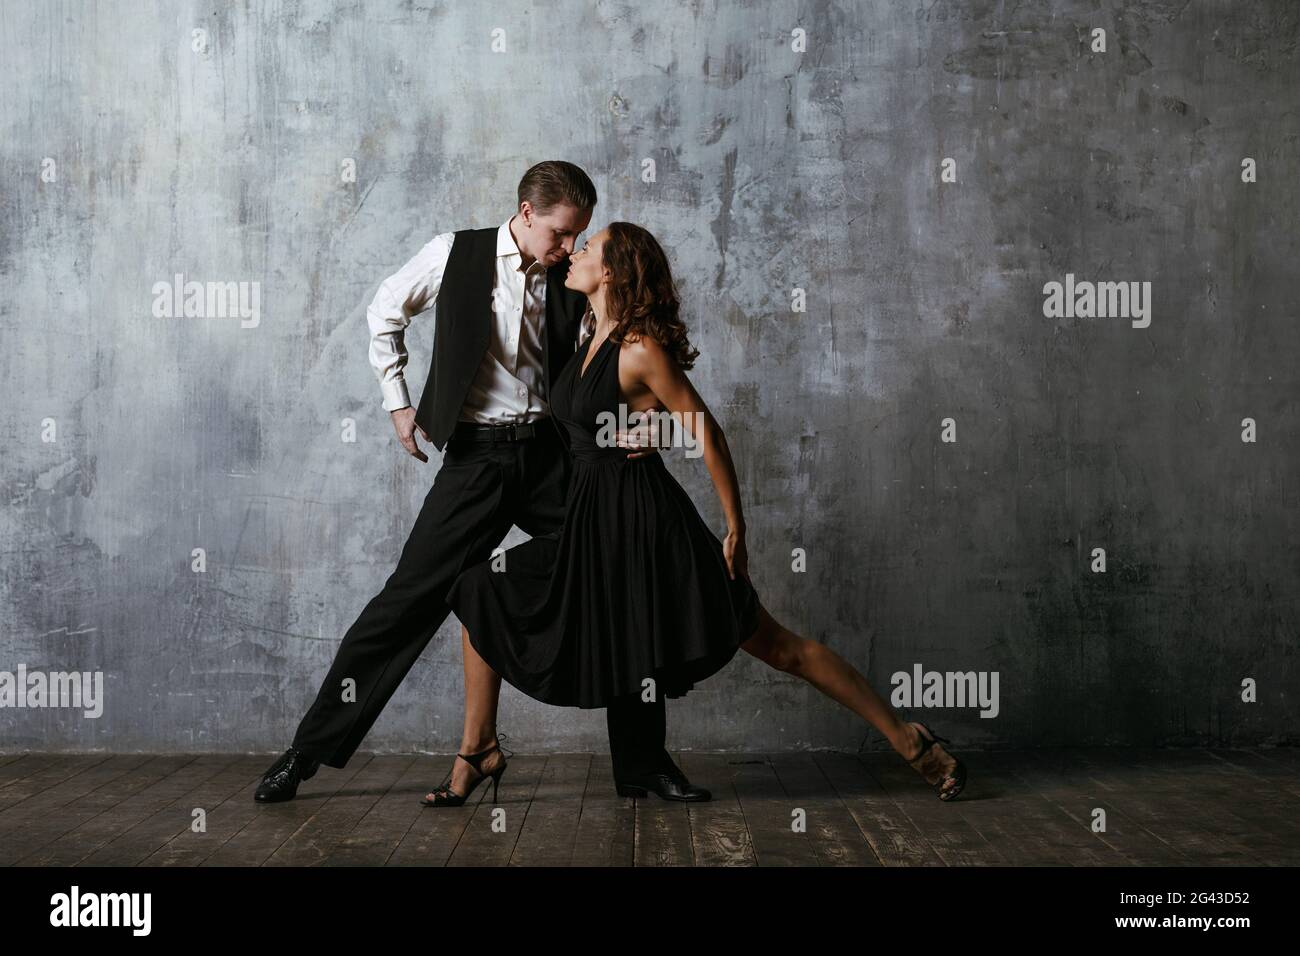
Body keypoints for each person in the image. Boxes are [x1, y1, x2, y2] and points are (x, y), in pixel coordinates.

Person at [422, 221, 967, 807]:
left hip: (652, 531)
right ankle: (484, 750)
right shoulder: (587, 335)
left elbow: (708, 433)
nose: (574, 252)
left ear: (609, 272)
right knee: (481, 587)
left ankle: (912, 742)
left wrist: (736, 528)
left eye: (589, 247)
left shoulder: (639, 349)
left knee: (781, 648)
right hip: (592, 529)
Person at [255, 162, 707, 803]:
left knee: (619, 567)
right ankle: (306, 752)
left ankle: (642, 763)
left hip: (553, 457)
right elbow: (385, 310)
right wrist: (398, 404)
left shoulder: (572, 276)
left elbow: (627, 350)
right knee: (407, 600)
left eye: (577, 236)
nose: (568, 247)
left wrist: (645, 426)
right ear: (525, 212)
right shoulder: (454, 255)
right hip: (477, 461)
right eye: (559, 233)